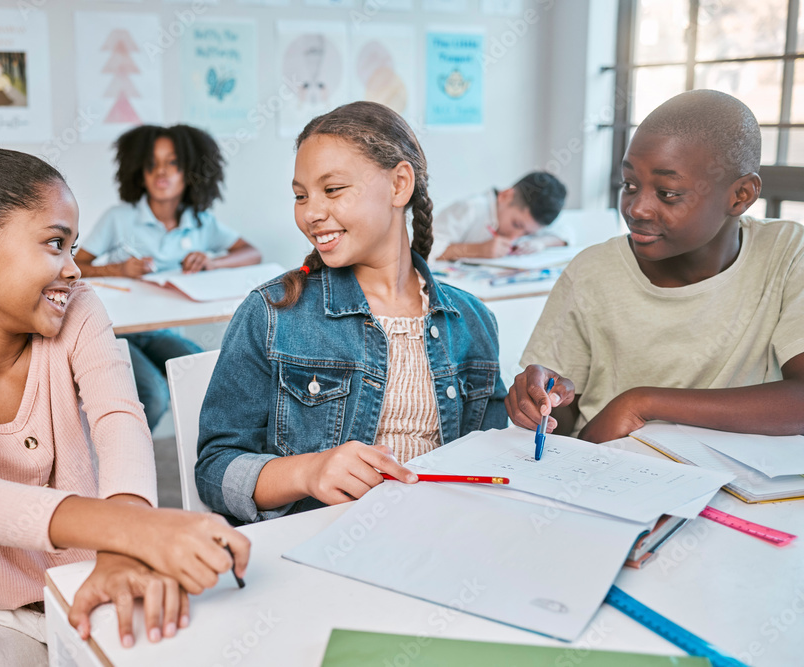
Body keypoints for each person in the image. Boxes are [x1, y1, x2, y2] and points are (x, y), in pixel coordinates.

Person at [0, 148, 250, 664]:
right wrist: (132, 530)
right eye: (55, 244)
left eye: (74, 247)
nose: (73, 268)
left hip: (105, 572)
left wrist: (123, 543)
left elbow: (119, 418)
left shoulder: (79, 310)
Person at [195, 101, 508, 524]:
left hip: (441, 539)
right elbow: (214, 472)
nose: (310, 213)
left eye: (333, 189)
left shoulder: (472, 321)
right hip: (318, 552)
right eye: (301, 195)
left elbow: (495, 464)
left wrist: (530, 410)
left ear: (399, 185)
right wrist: (307, 471)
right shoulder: (271, 314)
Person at [506, 90, 804, 442]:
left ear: (740, 196)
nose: (637, 209)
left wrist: (641, 403)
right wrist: (547, 397)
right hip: (612, 478)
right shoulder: (591, 273)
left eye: (667, 193)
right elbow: (565, 425)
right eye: (629, 185)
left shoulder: (786, 253)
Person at [74, 124, 261, 432]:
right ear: (139, 171)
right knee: (154, 395)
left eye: (172, 162)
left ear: (190, 170)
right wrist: (117, 269)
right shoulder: (118, 218)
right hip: (117, 331)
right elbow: (75, 266)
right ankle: (117, 463)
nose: (162, 172)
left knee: (212, 374)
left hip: (160, 332)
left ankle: (213, 454)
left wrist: (213, 262)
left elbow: (251, 252)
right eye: (152, 164)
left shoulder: (200, 221)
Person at [430, 171, 569, 261]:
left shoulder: (536, 216)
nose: (514, 237)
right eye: (516, 224)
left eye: (526, 233)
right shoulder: (469, 208)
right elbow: (426, 251)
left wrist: (540, 243)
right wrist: (478, 250)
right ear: (506, 196)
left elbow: (566, 234)